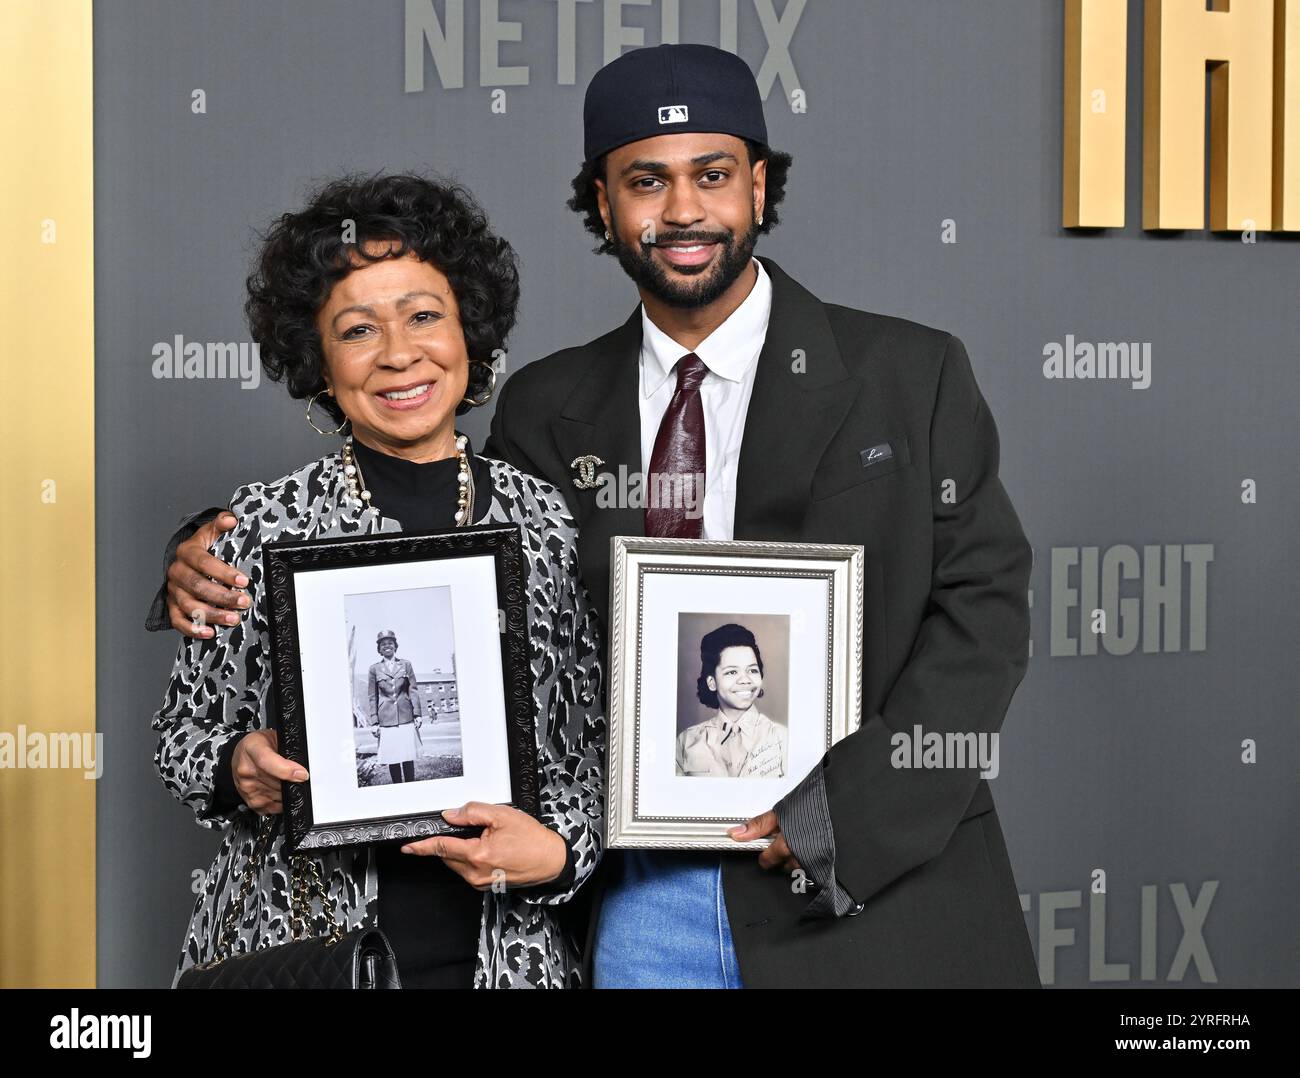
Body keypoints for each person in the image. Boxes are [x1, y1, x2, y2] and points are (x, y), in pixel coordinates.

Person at [154, 45, 1038, 990]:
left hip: (869, 894)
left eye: (714, 175)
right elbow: (431, 558)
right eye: (646, 182)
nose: (685, 210)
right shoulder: (547, 404)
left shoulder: (910, 373)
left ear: (760, 185)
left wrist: (847, 819)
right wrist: (209, 544)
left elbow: (982, 613)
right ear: (605, 205)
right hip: (635, 903)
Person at [149, 173, 603, 989]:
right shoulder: (261, 526)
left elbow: (586, 757)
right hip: (304, 949)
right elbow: (181, 740)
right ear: (319, 363)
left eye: (424, 315)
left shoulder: (545, 523)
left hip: (507, 955)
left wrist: (559, 851)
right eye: (358, 329)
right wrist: (235, 767)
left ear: (472, 333)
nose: (399, 353)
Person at [676, 623, 787, 779]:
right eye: (732, 672)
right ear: (712, 682)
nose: (745, 679)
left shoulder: (782, 738)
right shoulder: (686, 741)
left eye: (752, 670)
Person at [367, 630, 425, 784]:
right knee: (393, 758)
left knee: (407, 756)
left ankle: (411, 786)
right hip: (386, 719)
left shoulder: (406, 665)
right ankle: (397, 788)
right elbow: (372, 696)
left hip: (406, 716)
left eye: (390, 643)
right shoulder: (374, 669)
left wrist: (417, 713)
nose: (387, 646)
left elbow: (413, 690)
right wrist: (374, 722)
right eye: (383, 644)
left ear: (395, 646)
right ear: (379, 649)